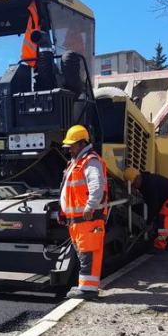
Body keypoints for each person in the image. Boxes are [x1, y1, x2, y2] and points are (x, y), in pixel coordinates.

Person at [59, 125, 108, 300]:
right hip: (78, 220)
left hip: (87, 218)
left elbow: (97, 185)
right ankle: (86, 287)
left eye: (72, 145)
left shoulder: (90, 161)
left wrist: (90, 206)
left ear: (81, 143)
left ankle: (88, 289)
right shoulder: (77, 162)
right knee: (84, 253)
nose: (69, 149)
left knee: (89, 253)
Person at [132, 170, 168, 251]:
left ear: (137, 178)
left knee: (163, 220)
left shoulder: (149, 184)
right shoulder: (145, 181)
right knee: (163, 221)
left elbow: (153, 205)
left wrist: (149, 222)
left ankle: (161, 245)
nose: (134, 187)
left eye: (134, 184)